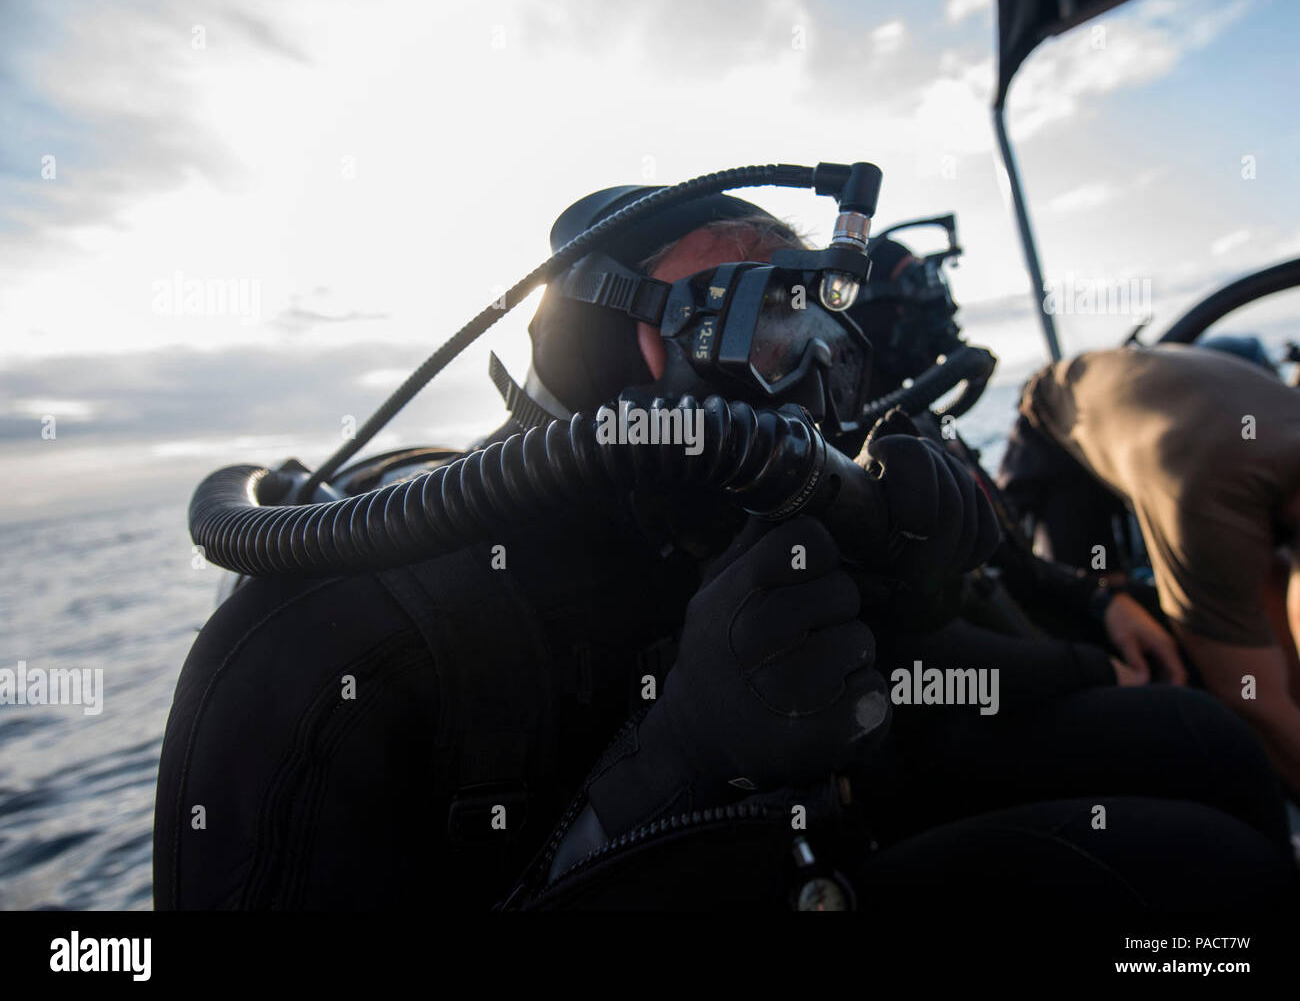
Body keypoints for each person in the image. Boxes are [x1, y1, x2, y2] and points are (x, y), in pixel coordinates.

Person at [156, 185, 1298, 912]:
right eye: (750, 314)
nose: (799, 369)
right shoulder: (341, 630)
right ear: (615, 344)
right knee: (1212, 886)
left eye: (812, 320)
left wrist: (925, 580)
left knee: (1205, 751)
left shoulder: (723, 505)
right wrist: (670, 778)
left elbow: (886, 694)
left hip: (814, 850)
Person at [1006, 344, 1300, 801]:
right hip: (1058, 426)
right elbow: (1248, 696)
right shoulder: (1209, 502)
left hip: (1166, 400)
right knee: (1126, 627)